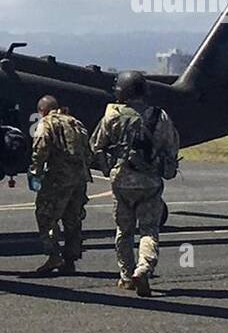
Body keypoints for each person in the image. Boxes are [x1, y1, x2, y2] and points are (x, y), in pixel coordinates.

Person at [90, 70, 180, 297]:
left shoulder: (111, 115)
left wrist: (107, 168)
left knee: (124, 230)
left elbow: (97, 145)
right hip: (149, 181)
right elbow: (171, 147)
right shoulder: (160, 116)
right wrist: (166, 170)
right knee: (149, 230)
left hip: (121, 181)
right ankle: (144, 268)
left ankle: (126, 276)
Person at [29, 95, 92, 275]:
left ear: (42, 111)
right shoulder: (75, 123)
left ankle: (54, 255)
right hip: (79, 179)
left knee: (45, 215)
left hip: (58, 179)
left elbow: (40, 147)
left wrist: (36, 171)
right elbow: (88, 151)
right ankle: (70, 259)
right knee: (73, 219)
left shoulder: (47, 123)